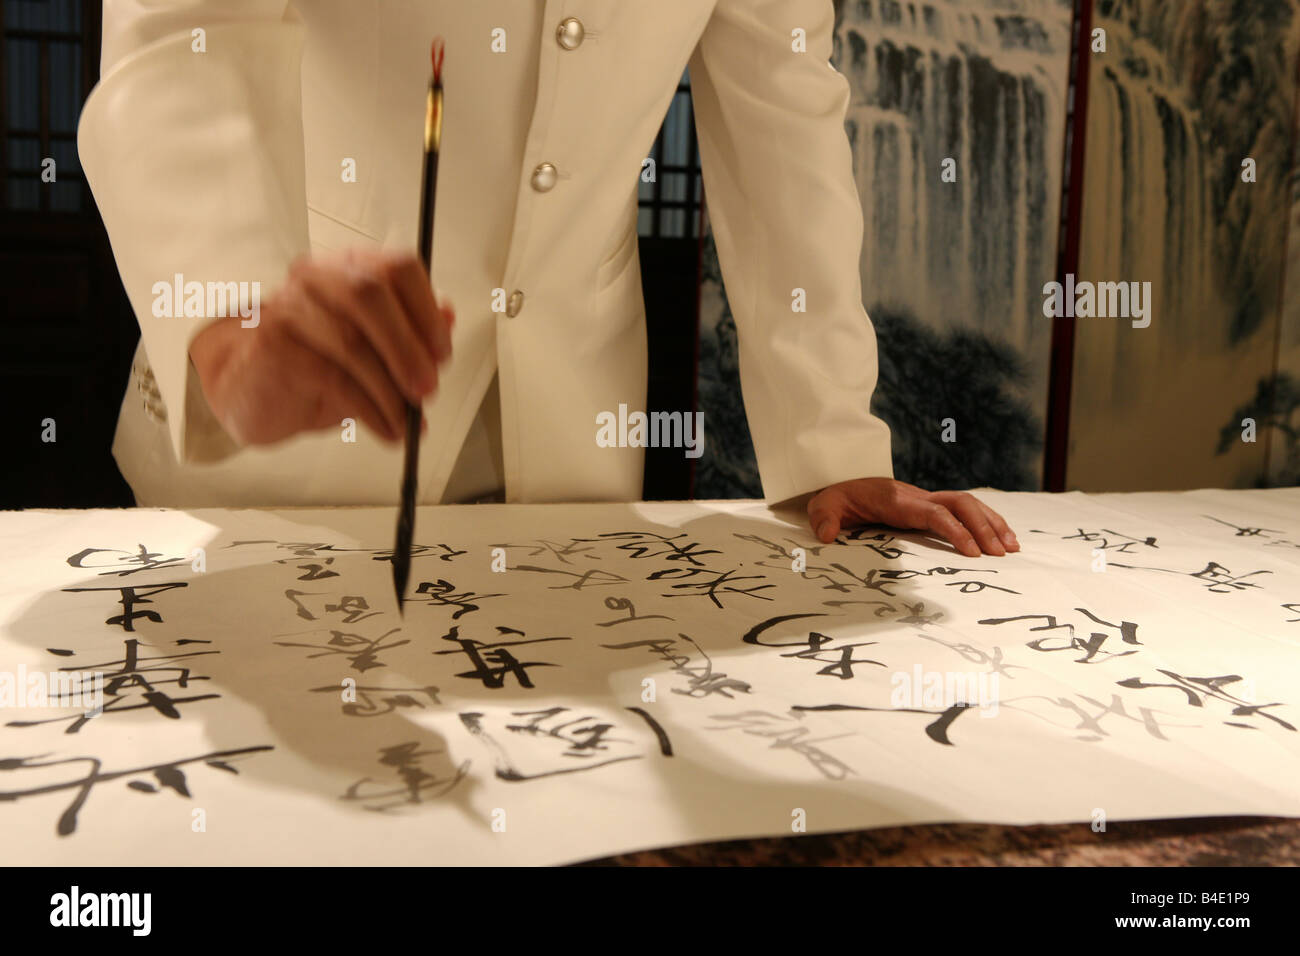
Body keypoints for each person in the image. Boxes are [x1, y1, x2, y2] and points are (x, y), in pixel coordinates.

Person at [78, 0, 1018, 558]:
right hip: (284, 422)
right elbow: (183, 34)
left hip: (572, 448)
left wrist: (832, 438)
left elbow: (785, 104)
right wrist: (230, 313)